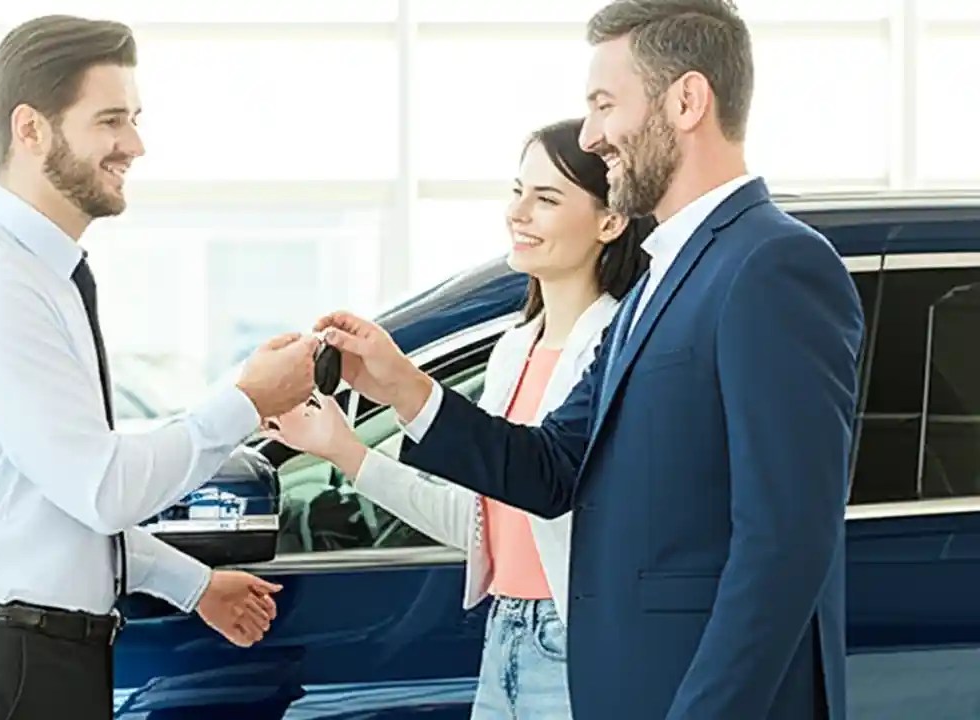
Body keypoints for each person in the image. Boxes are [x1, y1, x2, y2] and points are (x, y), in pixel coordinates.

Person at [306, 1, 864, 718]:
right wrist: (406, 389)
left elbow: (784, 545)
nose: (593, 135)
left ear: (687, 101)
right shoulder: (659, 280)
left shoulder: (772, 264)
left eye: (605, 104)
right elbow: (551, 468)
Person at [0, 15, 318, 720]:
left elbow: (61, 503)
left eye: (134, 118)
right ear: (31, 129)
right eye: (110, 120)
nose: (135, 144)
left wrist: (193, 584)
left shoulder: (43, 277)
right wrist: (247, 401)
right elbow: (102, 489)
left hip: (38, 661)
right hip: (12, 669)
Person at [264, 118, 651, 718]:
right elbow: (475, 523)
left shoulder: (621, 350)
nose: (517, 213)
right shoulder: (513, 350)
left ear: (611, 220)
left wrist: (406, 387)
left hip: (577, 645)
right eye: (517, 191)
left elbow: (560, 496)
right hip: (505, 632)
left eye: (546, 199)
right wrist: (345, 451)